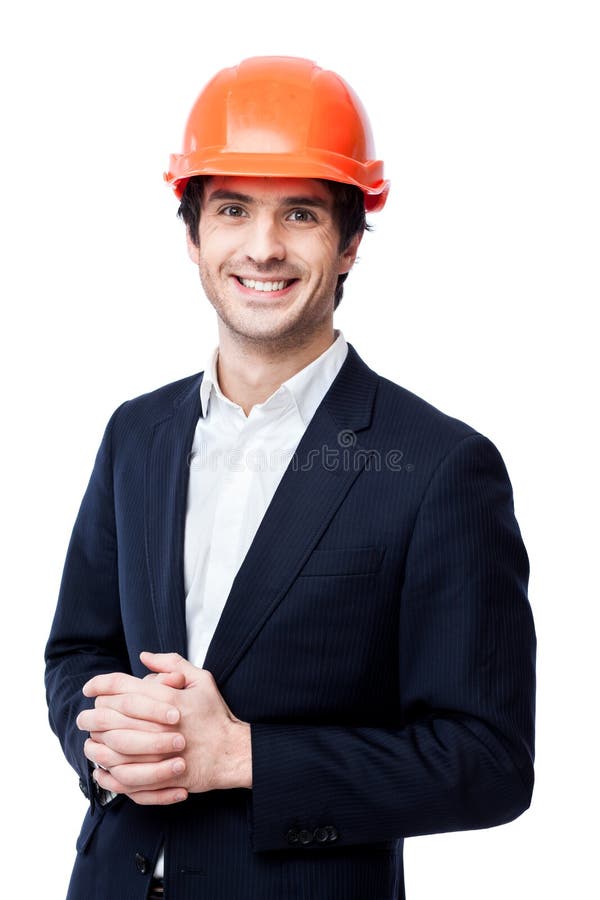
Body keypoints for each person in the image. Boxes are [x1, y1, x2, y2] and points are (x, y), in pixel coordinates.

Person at [45, 56, 536, 900]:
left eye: (300, 213)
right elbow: (78, 650)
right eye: (233, 209)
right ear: (194, 235)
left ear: (348, 243)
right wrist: (102, 737)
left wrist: (243, 756)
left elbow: (488, 762)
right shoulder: (138, 434)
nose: (263, 247)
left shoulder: (439, 467)